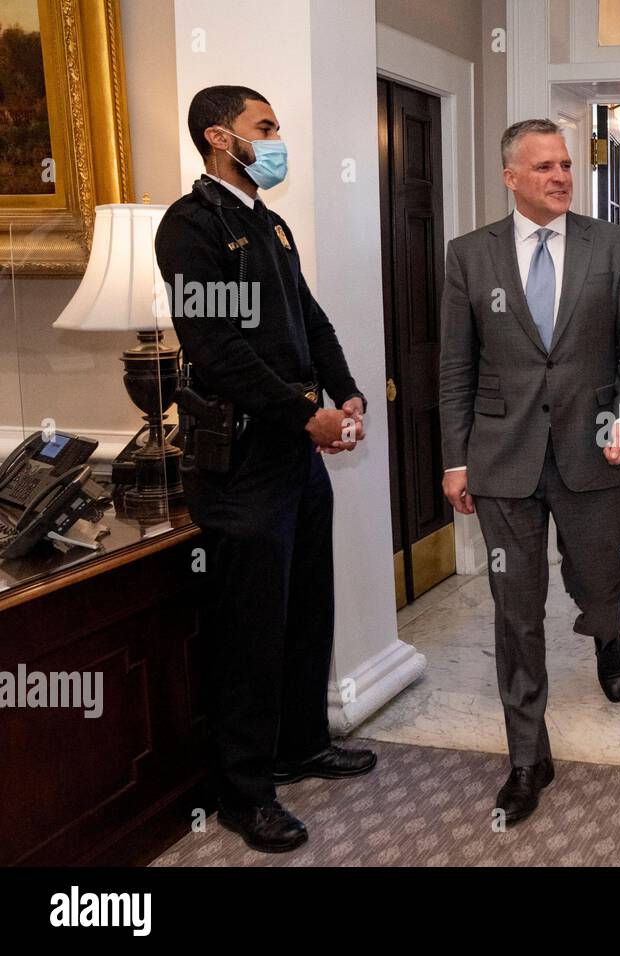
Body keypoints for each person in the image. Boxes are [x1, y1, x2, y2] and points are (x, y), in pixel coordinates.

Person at [155, 85, 376, 854]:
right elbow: (217, 350)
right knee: (248, 629)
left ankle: (299, 744)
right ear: (221, 137)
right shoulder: (190, 227)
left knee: (306, 604)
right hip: (243, 461)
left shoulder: (269, 224)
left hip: (295, 456)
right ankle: (244, 793)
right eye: (266, 127)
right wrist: (300, 409)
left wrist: (343, 387)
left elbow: (308, 320)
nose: (277, 140)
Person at [439, 118, 620, 824]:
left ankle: (605, 630)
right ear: (510, 177)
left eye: (566, 165)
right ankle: (527, 755)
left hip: (595, 450)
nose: (561, 176)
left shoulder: (612, 244)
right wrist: (455, 459)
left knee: (598, 574)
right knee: (516, 609)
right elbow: (454, 366)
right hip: (503, 462)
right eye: (543, 168)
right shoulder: (469, 256)